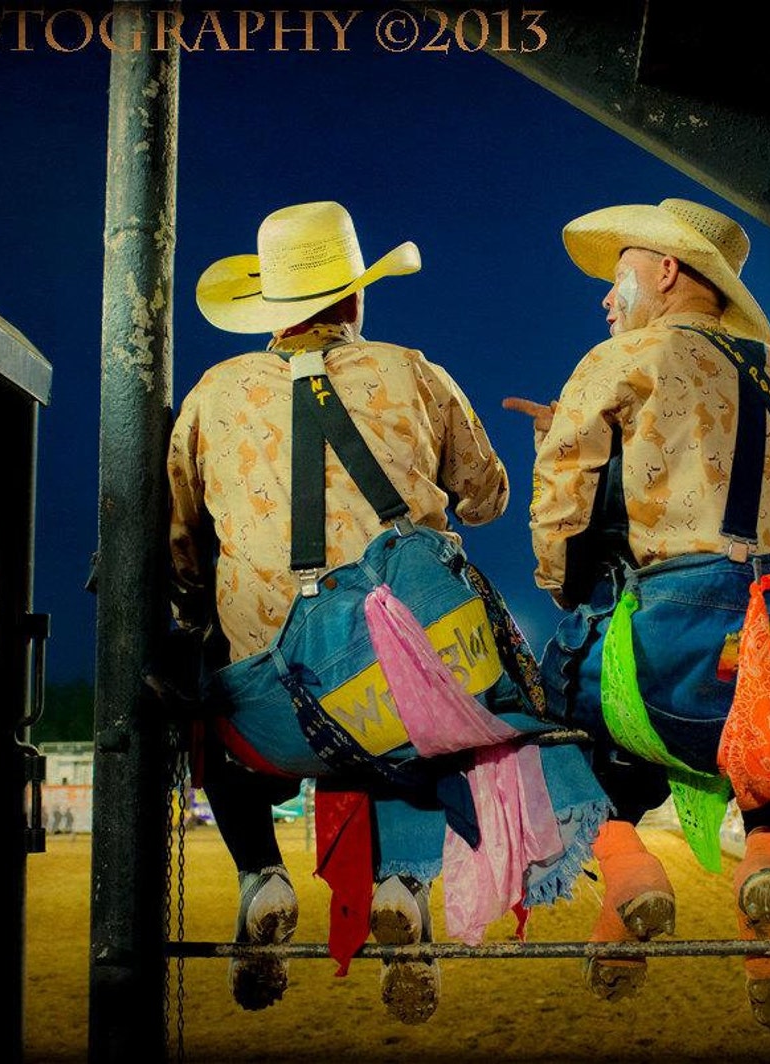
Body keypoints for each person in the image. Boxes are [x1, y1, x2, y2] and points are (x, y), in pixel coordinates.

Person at [505, 198, 770, 1031]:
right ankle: (768, 862)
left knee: (556, 732)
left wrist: (561, 580)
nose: (607, 297)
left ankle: (629, 874)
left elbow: (561, 508)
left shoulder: (625, 355)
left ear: (666, 271)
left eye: (619, 274)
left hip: (686, 630)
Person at [168, 201, 512, 1022]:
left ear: (273, 309)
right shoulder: (413, 372)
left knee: (212, 713)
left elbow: (177, 542)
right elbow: (487, 497)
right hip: (397, 692)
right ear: (356, 296)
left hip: (272, 713)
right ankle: (404, 887)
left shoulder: (213, 394)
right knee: (424, 723)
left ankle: (261, 877)